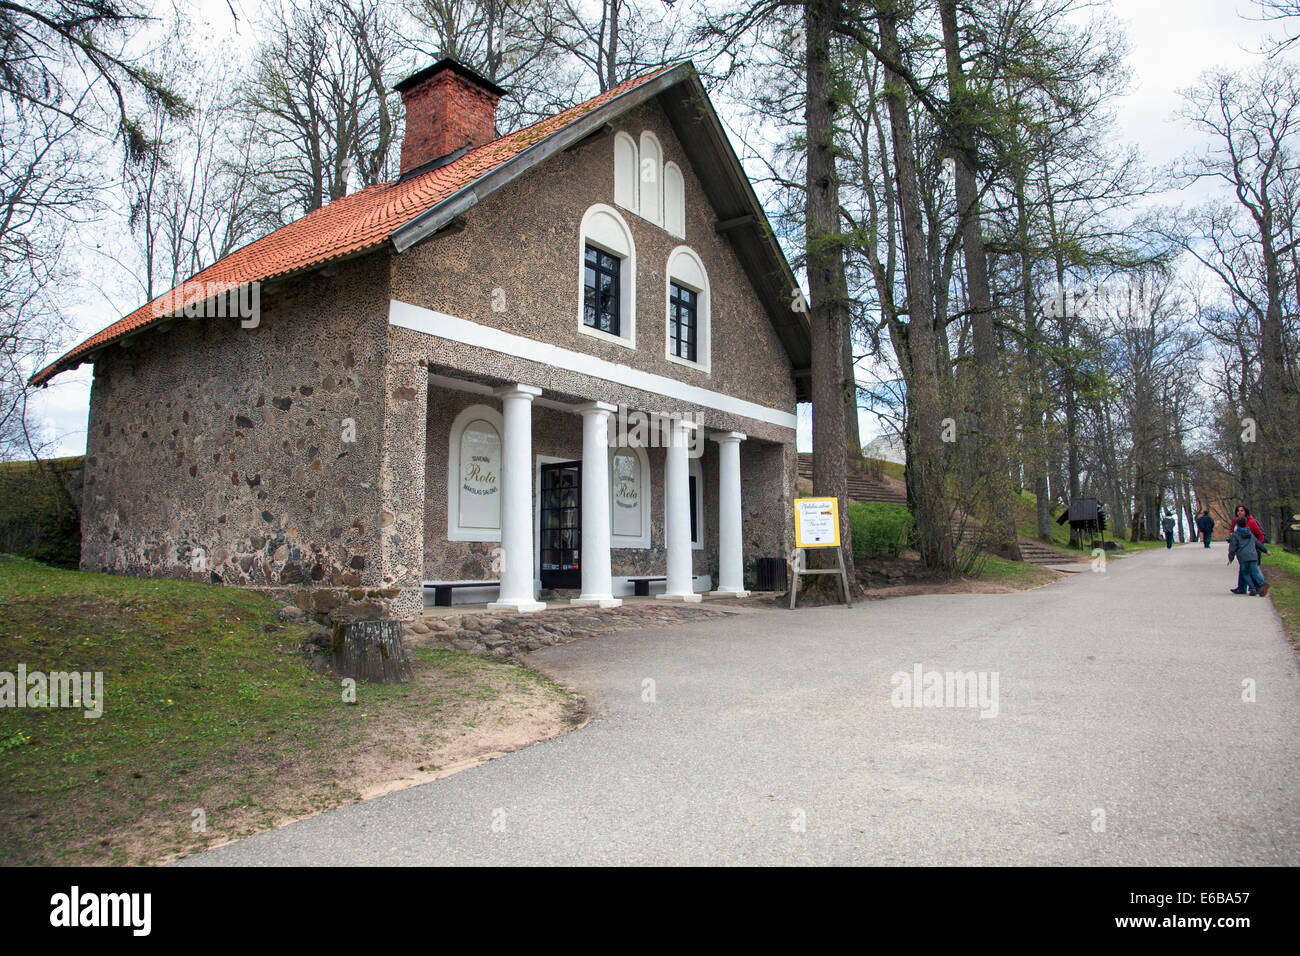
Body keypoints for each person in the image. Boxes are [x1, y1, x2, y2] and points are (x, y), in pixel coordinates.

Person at [1228, 517, 1270, 596]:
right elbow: (1257, 543)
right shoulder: (1250, 534)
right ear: (1245, 524)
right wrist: (1266, 550)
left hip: (1243, 557)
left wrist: (1230, 558)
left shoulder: (1235, 535)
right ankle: (1263, 583)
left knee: (1245, 573)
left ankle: (1252, 588)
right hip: (1253, 555)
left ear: (1237, 525)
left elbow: (1232, 547)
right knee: (1255, 572)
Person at [1231, 505, 1265, 592]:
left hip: (1252, 548)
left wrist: (1258, 546)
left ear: (1246, 511)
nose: (1239, 512)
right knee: (1243, 569)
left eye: (1242, 510)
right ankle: (1242, 587)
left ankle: (1256, 587)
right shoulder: (1235, 521)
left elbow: (1260, 535)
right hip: (1241, 549)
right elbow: (1232, 531)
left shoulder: (1252, 522)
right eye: (1238, 510)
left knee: (1252, 570)